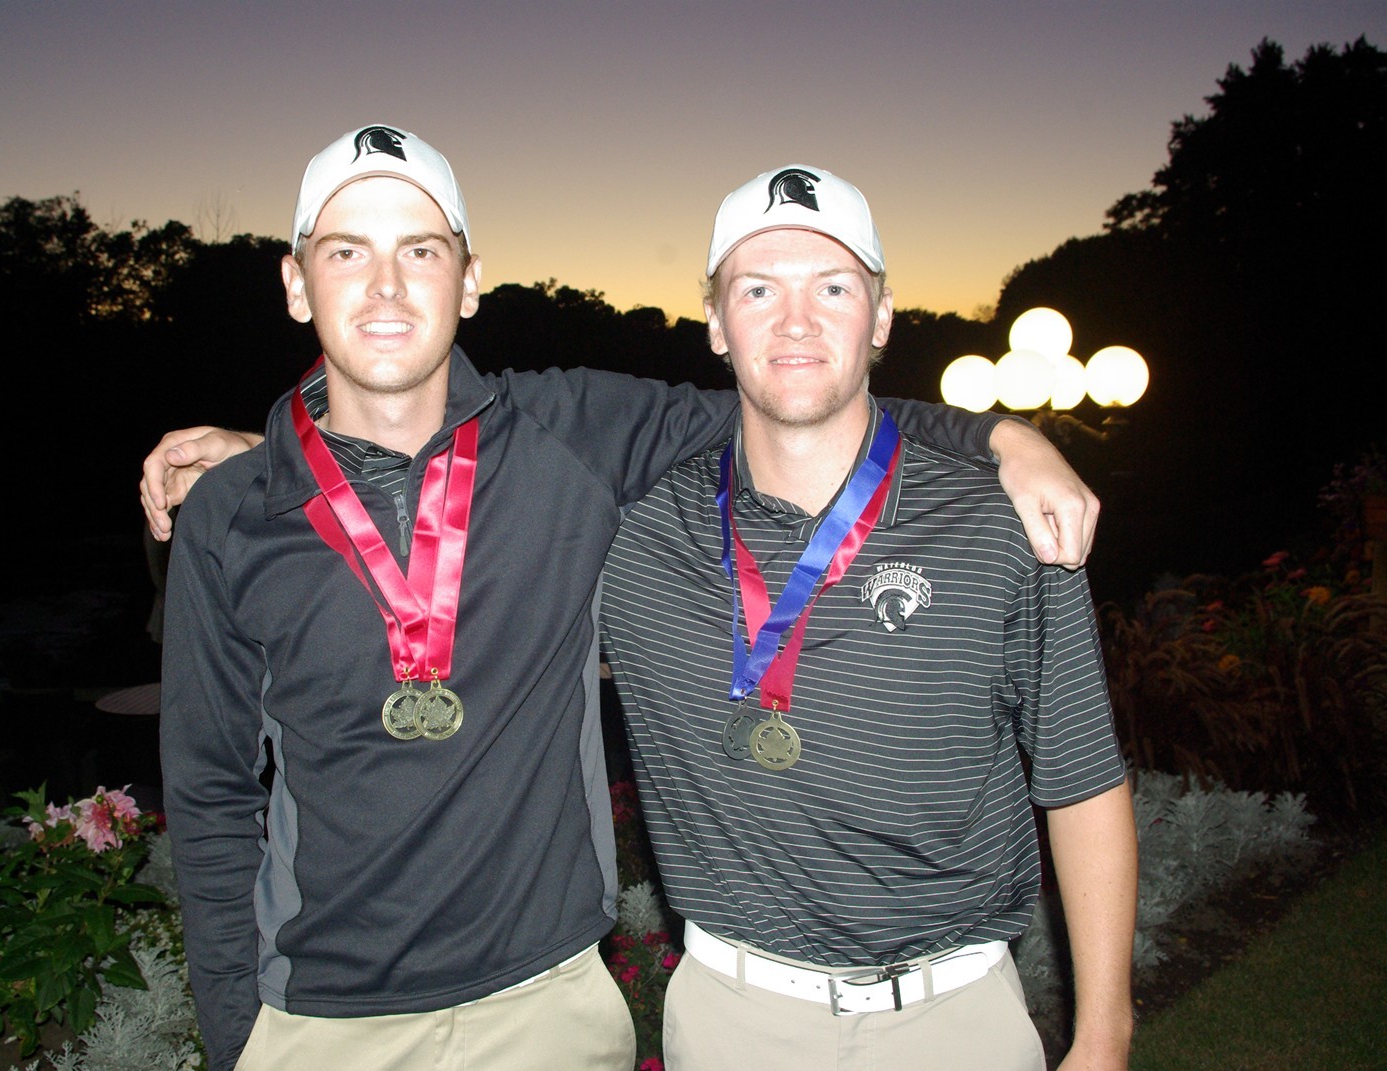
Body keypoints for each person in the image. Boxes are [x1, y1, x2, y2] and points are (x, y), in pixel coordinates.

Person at [153, 123, 1100, 1071]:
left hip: (549, 1010)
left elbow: (797, 398)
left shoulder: (571, 435)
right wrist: (238, 1037)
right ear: (295, 283)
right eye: (347, 252)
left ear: (470, 280)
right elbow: (207, 789)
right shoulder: (232, 512)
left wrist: (1003, 438)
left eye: (422, 251)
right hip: (320, 1026)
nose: (388, 285)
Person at [596, 165, 1135, 1070]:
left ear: (881, 317)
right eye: (758, 290)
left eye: (834, 288)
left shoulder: (1000, 523)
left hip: (956, 1021)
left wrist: (1104, 1036)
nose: (796, 321)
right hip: (731, 1023)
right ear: (716, 323)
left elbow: (1081, 779)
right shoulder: (636, 535)